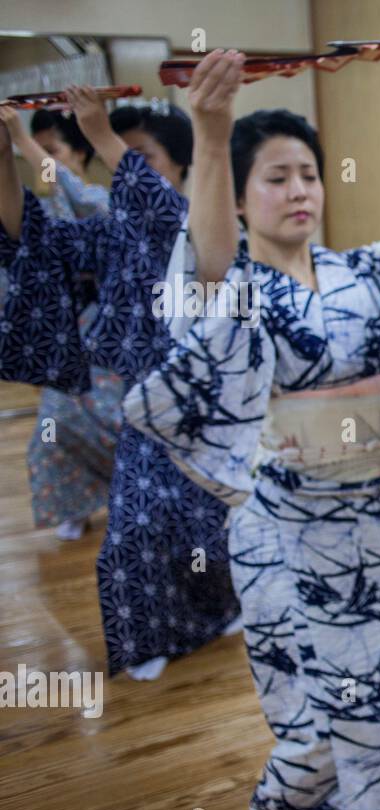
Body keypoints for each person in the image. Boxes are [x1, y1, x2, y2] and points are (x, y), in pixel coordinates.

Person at [122, 31, 380, 810]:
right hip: (281, 532)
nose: (299, 190)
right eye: (275, 177)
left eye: (308, 173)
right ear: (240, 197)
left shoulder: (366, 275)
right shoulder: (241, 285)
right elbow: (205, 279)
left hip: (373, 528)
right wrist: (210, 136)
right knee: (316, 713)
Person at [0, 90, 242, 681]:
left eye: (144, 157)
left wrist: (94, 137)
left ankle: (218, 610)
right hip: (136, 395)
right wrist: (8, 150)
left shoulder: (195, 216)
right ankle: (145, 635)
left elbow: (163, 215)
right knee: (133, 533)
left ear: (183, 163)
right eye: (122, 156)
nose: (126, 166)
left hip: (203, 403)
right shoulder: (115, 221)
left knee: (205, 526)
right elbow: (32, 233)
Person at [0, 106, 121, 541]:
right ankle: (75, 506)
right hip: (71, 334)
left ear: (80, 154)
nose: (42, 159)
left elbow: (59, 182)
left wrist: (24, 141)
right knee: (54, 425)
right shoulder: (43, 199)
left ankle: (129, 495)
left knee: (115, 424)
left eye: (53, 150)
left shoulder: (100, 199)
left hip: (112, 331)